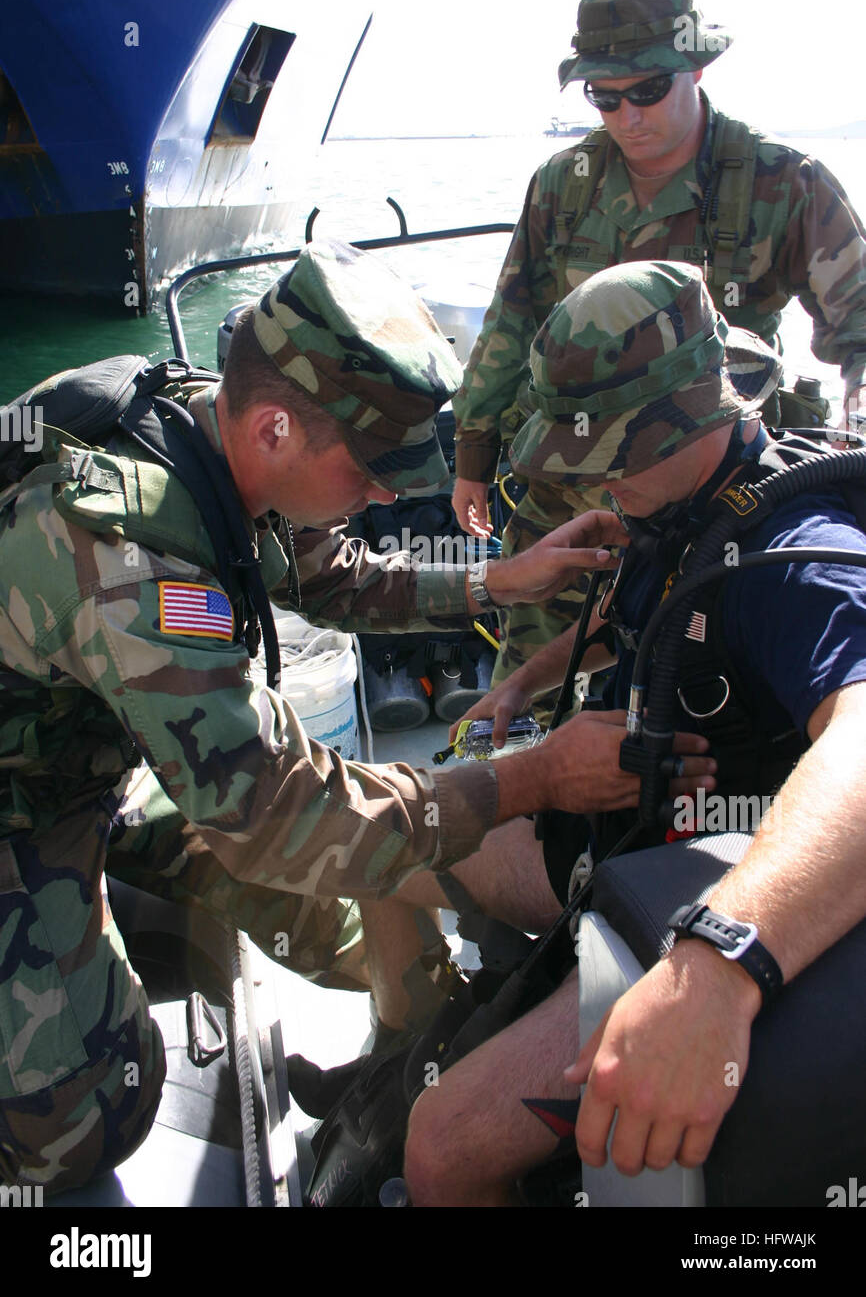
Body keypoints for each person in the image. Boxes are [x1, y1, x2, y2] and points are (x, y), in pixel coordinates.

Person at [0, 239, 713, 1196]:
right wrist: (529, 780)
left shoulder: (210, 428)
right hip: (27, 801)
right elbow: (279, 819)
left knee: (369, 874)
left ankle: (405, 1045)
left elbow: (326, 572)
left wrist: (497, 583)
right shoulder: (131, 573)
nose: (384, 497)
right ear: (275, 432)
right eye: (374, 475)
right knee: (93, 1118)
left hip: (90, 753)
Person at [403, 259, 866, 1206]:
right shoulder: (687, 505)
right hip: (615, 840)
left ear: (676, 425)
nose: (596, 484)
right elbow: (650, 618)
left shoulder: (795, 562)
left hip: (698, 908)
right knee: (391, 844)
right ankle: (415, 1038)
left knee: (442, 1150)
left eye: (609, 457)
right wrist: (523, 683)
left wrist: (718, 966)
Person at [450, 0, 866, 694]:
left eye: (647, 91)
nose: (627, 116)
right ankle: (507, 784)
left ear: (696, 67)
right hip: (570, 489)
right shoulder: (563, 185)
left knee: (688, 685)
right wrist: (473, 451)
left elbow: (861, 329)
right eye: (604, 97)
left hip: (702, 503)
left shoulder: (781, 183)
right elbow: (512, 318)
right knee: (526, 679)